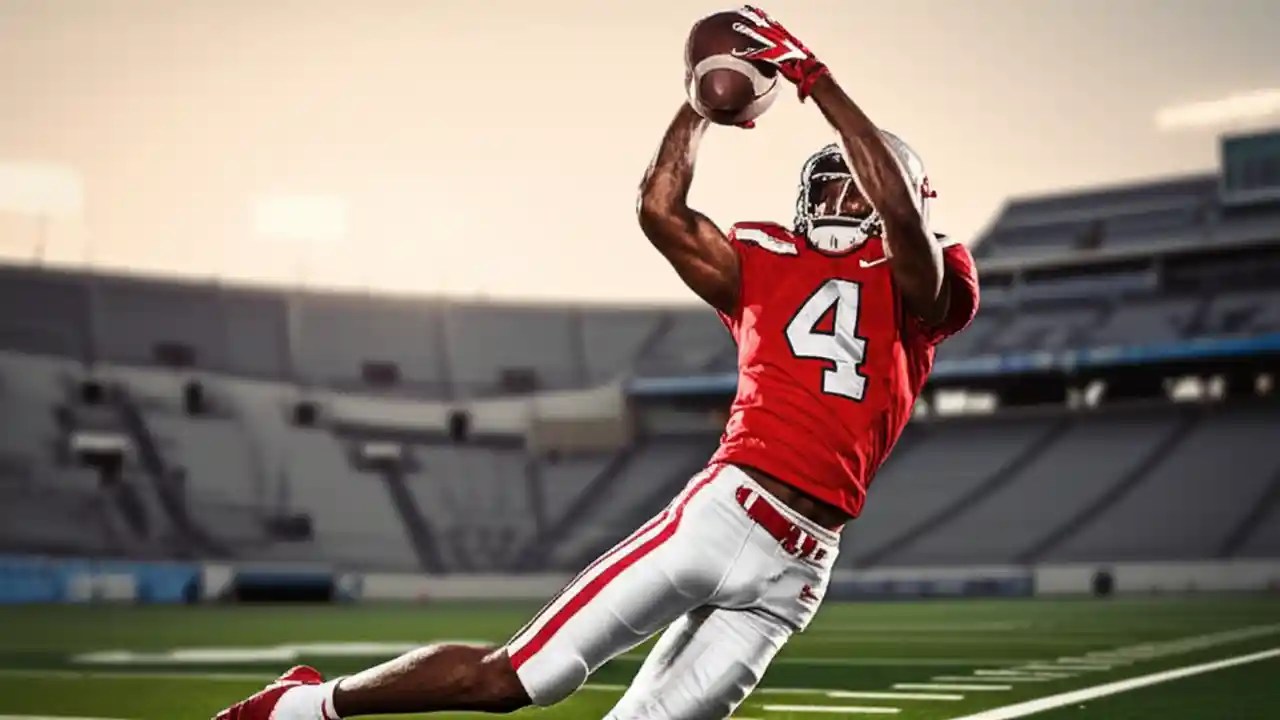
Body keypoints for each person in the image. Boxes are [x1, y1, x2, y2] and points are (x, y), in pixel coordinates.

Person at [212, 6, 979, 720]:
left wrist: (816, 80)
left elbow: (906, 223)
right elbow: (660, 211)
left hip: (799, 572)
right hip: (726, 513)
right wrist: (700, 102)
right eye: (831, 183)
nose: (843, 198)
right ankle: (301, 708)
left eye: (859, 185)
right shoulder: (763, 259)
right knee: (515, 678)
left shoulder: (931, 282)